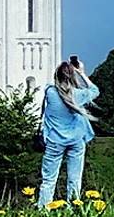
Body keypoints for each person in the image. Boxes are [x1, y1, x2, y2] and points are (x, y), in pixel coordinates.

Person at [38, 60, 100, 208]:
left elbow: (53, 87)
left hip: (54, 141)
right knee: (75, 179)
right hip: (77, 140)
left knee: (48, 180)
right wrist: (82, 73)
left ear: (56, 76)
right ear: (72, 77)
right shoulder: (77, 95)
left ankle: (43, 212)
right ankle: (73, 210)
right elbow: (95, 90)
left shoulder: (50, 92)